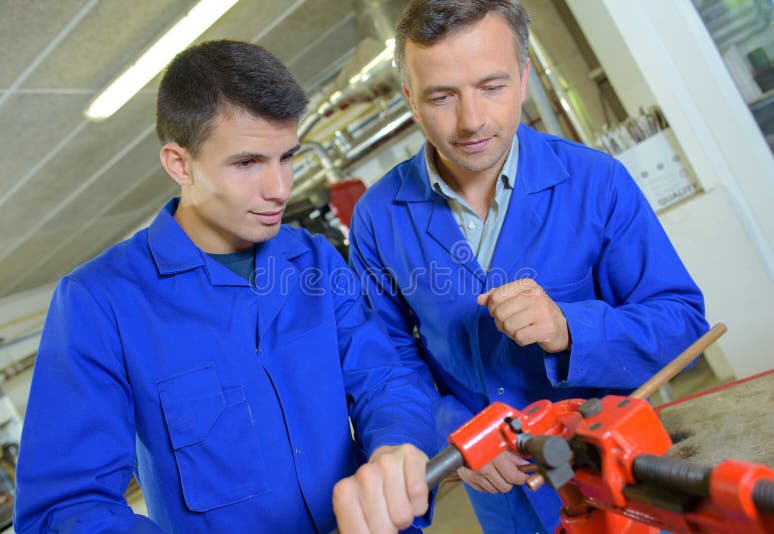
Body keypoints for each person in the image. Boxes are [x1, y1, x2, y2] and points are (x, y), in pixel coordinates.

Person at [14, 40, 436, 534]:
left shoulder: (313, 261)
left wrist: (396, 446)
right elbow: (64, 509)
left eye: (286, 157)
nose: (279, 188)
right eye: (247, 163)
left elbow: (383, 381)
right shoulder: (101, 303)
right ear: (179, 164)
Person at [348, 1, 709, 533]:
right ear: (412, 101)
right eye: (442, 96)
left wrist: (570, 330)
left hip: (619, 479)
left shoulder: (597, 183)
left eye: (491, 87)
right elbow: (386, 360)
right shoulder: (378, 218)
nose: (471, 121)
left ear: (523, 77)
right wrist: (457, 432)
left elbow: (682, 323)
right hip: (504, 498)